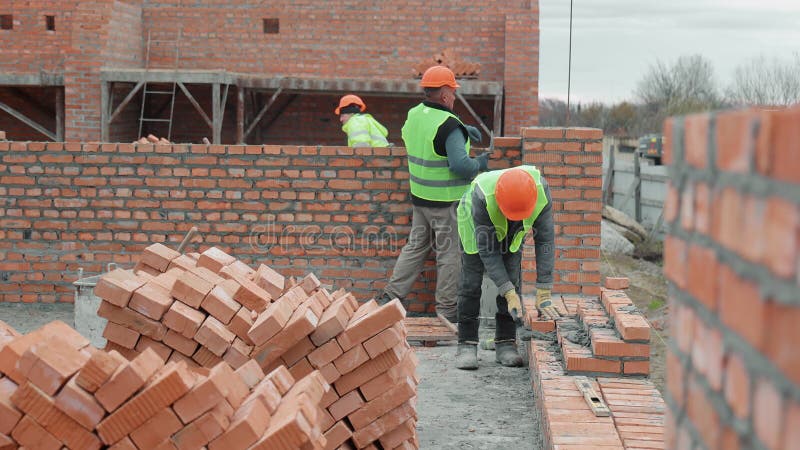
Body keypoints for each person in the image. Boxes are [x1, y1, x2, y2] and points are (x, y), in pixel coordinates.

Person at [379, 66, 489, 323]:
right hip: (447, 203)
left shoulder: (415, 114)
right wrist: (481, 163)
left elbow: (422, 137)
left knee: (415, 247)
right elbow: (461, 166)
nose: (454, 95)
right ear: (444, 94)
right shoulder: (449, 125)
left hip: (421, 199)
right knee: (449, 255)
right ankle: (447, 311)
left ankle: (390, 296)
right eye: (452, 91)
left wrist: (462, 130)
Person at [454, 166, 560, 370]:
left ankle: (505, 342)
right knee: (471, 282)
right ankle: (466, 344)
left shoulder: (541, 192)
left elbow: (545, 240)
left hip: (512, 228)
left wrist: (544, 291)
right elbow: (489, 252)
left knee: (513, 276)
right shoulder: (481, 196)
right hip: (474, 224)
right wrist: (507, 291)